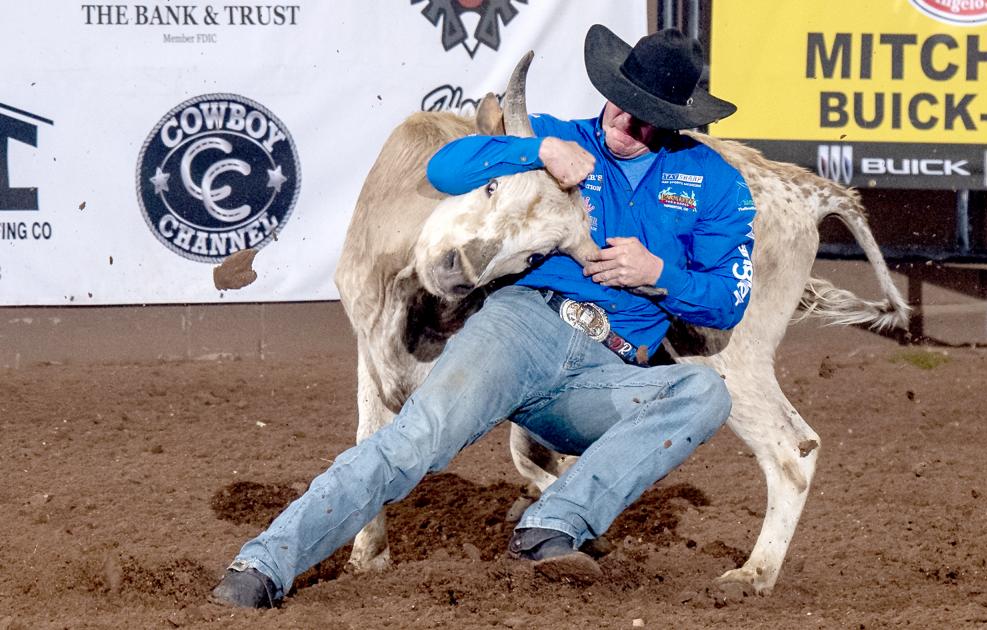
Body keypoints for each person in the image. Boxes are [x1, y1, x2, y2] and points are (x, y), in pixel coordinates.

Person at [210, 23, 756, 608]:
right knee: (416, 440)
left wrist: (659, 276)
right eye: (624, 107)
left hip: (606, 371)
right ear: (608, 90)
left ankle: (551, 526)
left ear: (675, 120)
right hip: (522, 328)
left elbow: (730, 299)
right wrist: (536, 151)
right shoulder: (556, 140)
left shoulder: (717, 184)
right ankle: (264, 564)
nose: (629, 125)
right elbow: (446, 169)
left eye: (651, 118)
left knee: (704, 392)